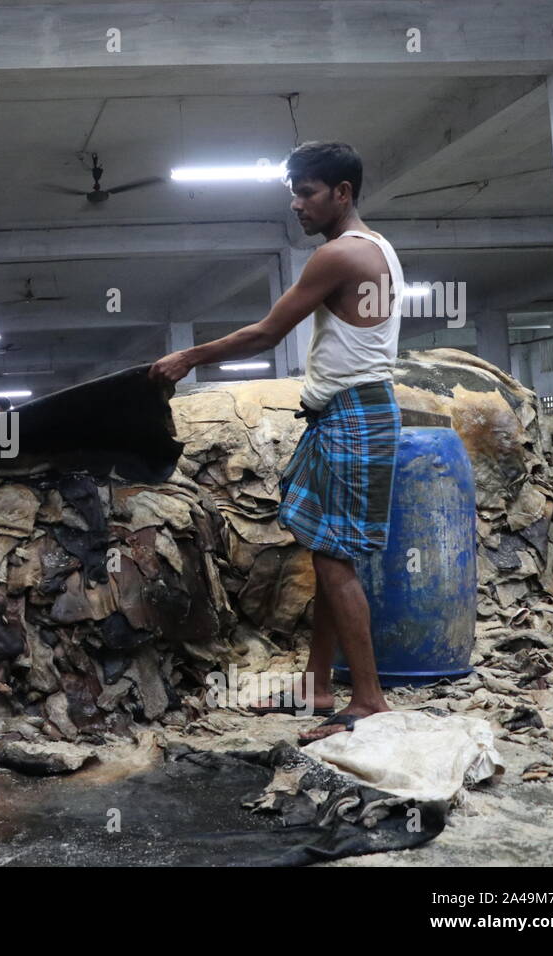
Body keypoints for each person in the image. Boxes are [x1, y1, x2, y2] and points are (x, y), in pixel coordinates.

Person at [149, 142, 404, 744]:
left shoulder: (341, 255)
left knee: (334, 555)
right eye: (293, 191)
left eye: (307, 192)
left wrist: (190, 355)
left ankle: (368, 701)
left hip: (355, 415)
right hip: (341, 413)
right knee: (324, 548)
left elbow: (267, 332)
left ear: (342, 193)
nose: (296, 204)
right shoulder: (376, 248)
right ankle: (318, 684)